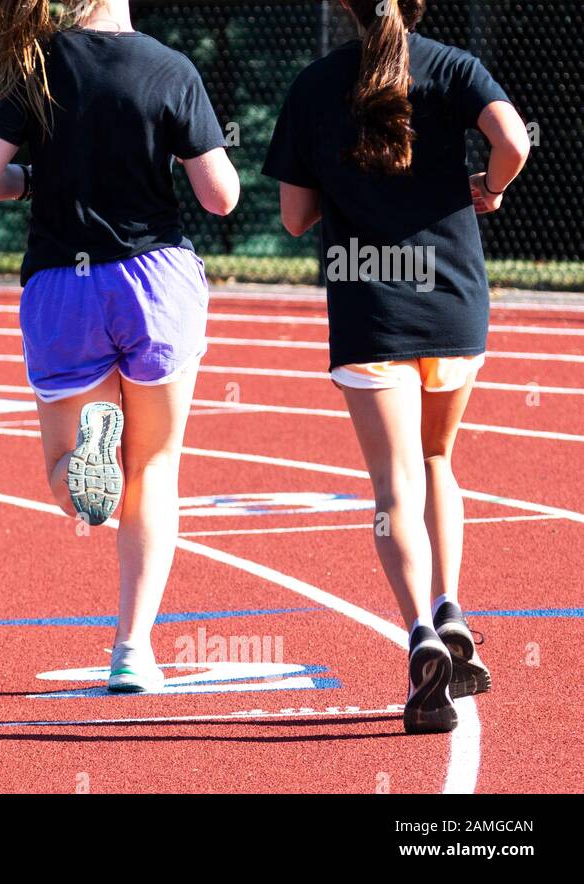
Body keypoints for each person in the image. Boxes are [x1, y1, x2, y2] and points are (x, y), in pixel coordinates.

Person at [0, 0, 239, 692]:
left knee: (69, 470)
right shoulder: (170, 68)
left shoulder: (37, 66)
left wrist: (31, 182)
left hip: (63, 285)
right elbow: (221, 196)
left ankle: (86, 479)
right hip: (154, 278)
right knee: (156, 467)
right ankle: (133, 650)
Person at [263, 0, 530, 732]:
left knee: (392, 487)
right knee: (440, 460)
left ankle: (418, 635)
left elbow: (293, 217)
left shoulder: (316, 84)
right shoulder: (452, 66)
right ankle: (450, 607)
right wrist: (492, 187)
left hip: (369, 304)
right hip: (451, 298)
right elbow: (511, 140)